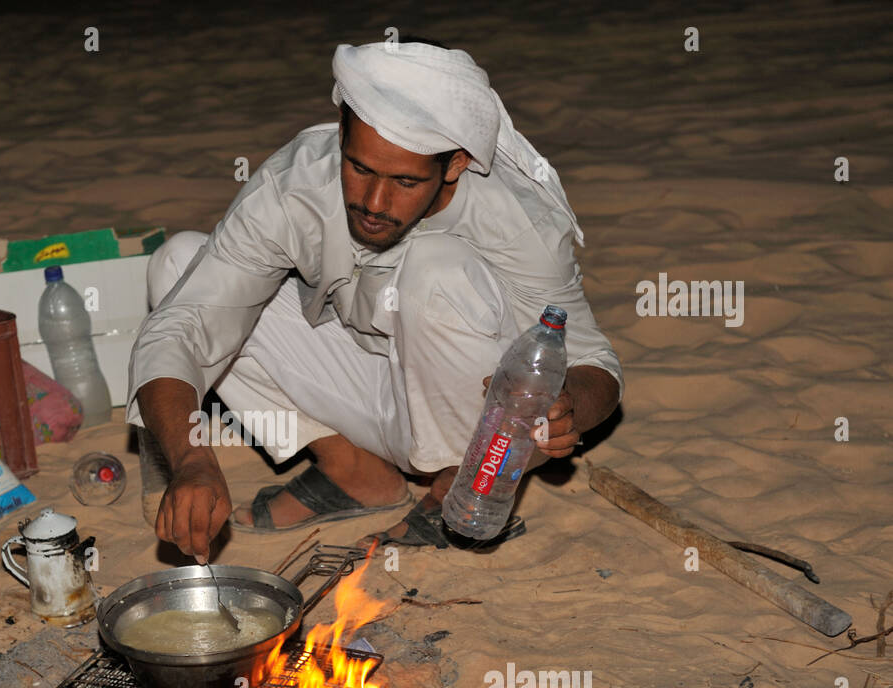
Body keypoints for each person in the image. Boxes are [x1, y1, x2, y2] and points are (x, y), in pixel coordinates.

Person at [127, 39, 622, 562]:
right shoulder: (295, 184)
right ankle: (354, 472)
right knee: (179, 262)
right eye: (359, 168)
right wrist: (191, 459)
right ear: (340, 134)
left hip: (479, 422)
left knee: (436, 268)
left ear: (455, 164)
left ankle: (455, 478)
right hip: (367, 384)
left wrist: (568, 403)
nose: (374, 203)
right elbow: (184, 325)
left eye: (405, 181)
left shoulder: (517, 219)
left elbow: (597, 365)